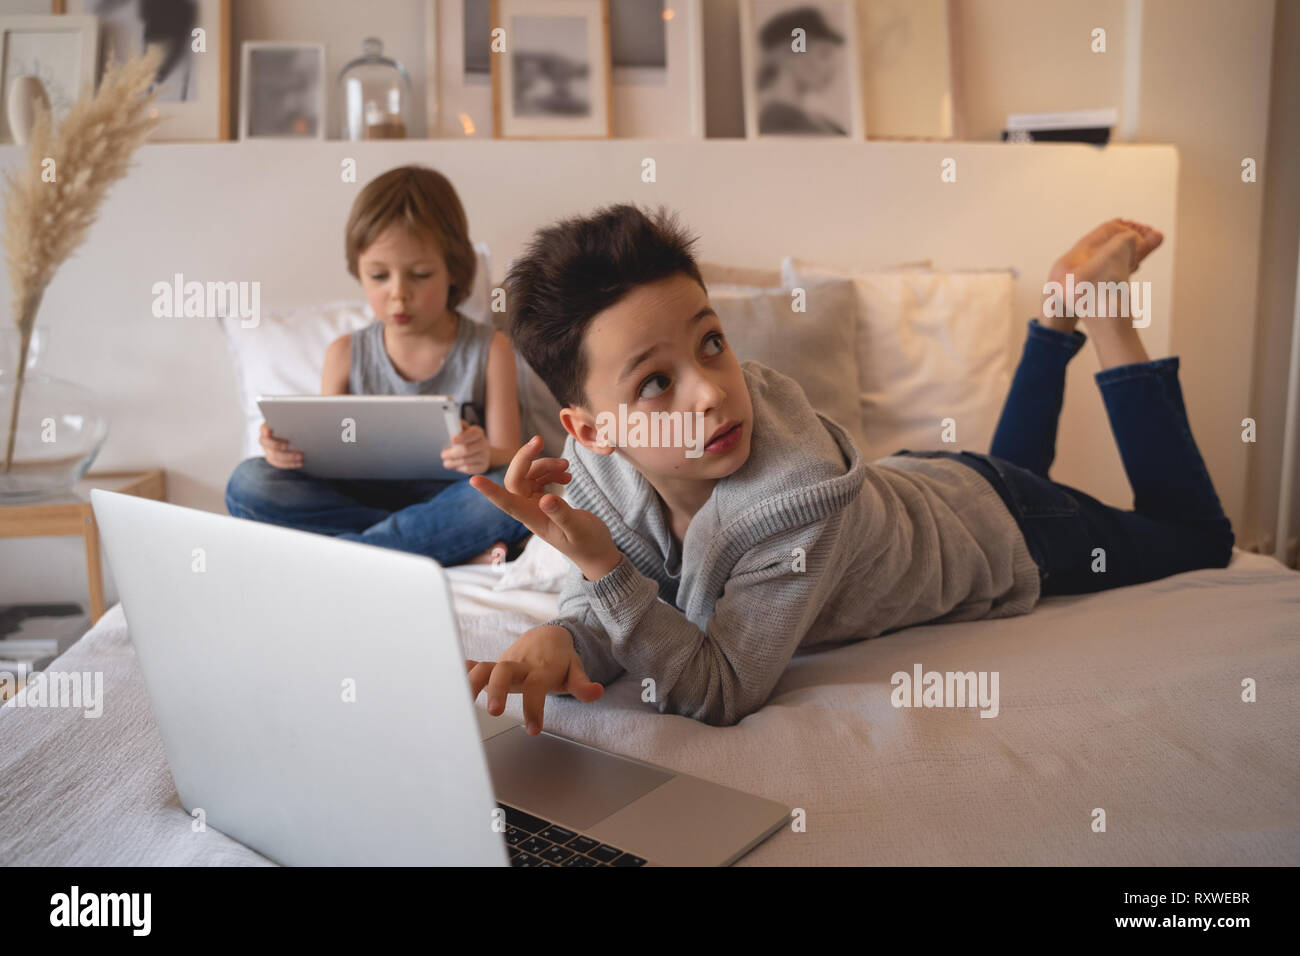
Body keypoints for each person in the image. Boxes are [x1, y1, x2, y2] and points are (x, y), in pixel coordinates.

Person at [466, 206, 1233, 731]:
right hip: (931, 484)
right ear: (592, 431)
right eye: (656, 382)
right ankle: (1054, 314)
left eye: (710, 342)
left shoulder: (795, 496)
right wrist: (562, 639)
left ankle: (1100, 310)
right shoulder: (595, 477)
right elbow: (631, 603)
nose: (711, 390)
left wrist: (595, 563)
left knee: (1197, 537)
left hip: (1009, 529)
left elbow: (718, 688)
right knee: (1002, 467)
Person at [224, 165, 531, 566]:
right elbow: (324, 459)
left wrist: (483, 453)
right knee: (249, 482)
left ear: (454, 269)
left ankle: (352, 555)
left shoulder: (490, 349)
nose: (398, 295)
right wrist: (282, 451)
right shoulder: (344, 353)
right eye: (379, 276)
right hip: (360, 497)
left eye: (420, 275)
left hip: (450, 496)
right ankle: (431, 548)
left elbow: (509, 452)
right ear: (359, 271)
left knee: (511, 492)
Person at [756, 6, 848, 135]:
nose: (831, 66)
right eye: (823, 53)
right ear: (786, 53)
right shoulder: (777, 122)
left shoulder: (822, 122)